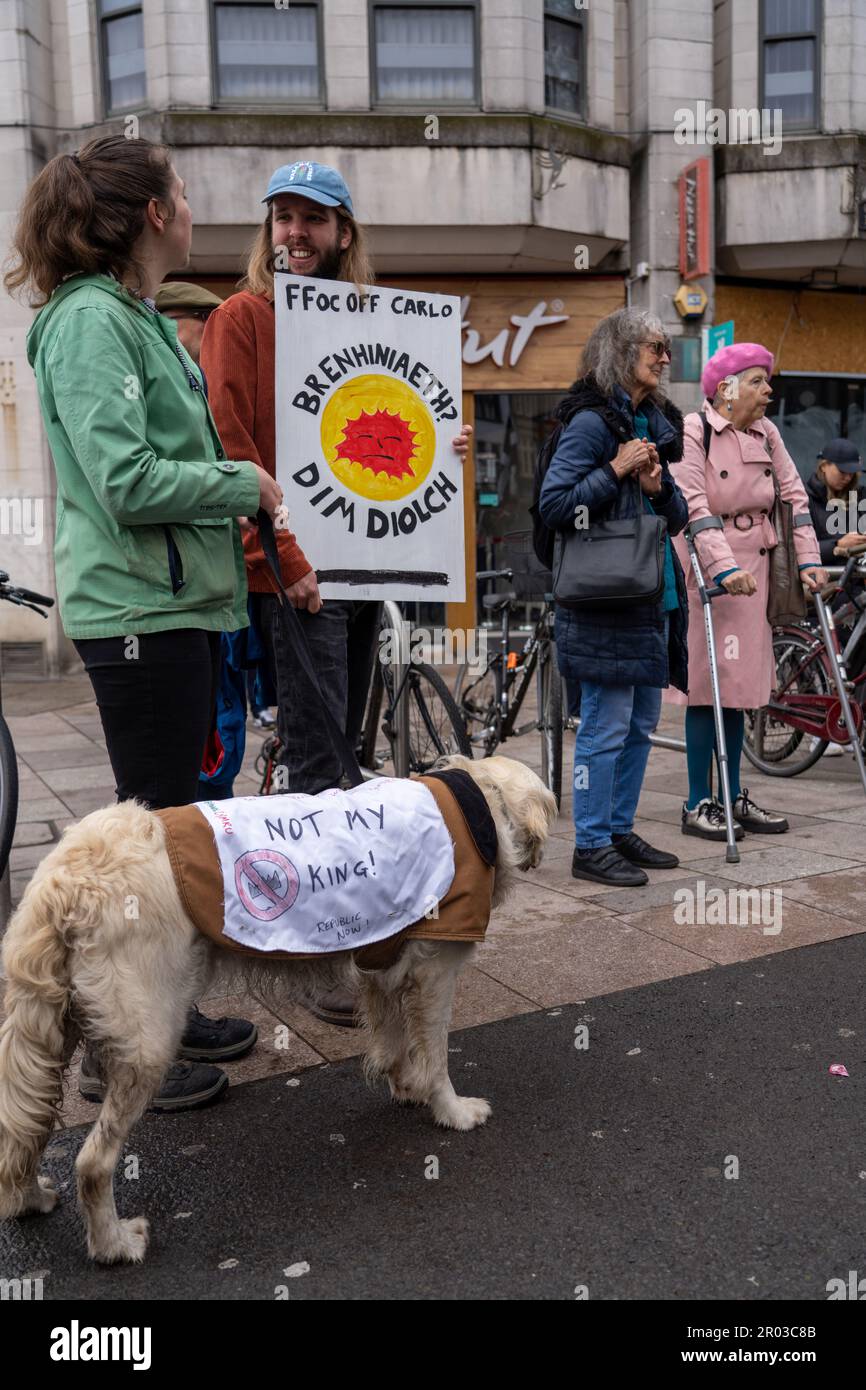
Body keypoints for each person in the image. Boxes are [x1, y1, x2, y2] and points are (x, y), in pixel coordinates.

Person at [5, 134, 283, 1110]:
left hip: (171, 610)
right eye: (184, 192)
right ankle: (116, 1051)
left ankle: (170, 1006)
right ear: (154, 215)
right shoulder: (91, 323)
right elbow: (125, 480)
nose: (197, 208)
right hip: (139, 614)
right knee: (147, 840)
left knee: (174, 831)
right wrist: (237, 482)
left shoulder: (132, 316)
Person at [201, 159, 471, 1023]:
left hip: (358, 571)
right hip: (297, 575)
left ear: (343, 233)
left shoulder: (367, 319)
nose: (294, 235)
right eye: (281, 218)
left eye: (312, 220)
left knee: (344, 758)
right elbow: (230, 443)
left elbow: (390, 432)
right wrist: (279, 553)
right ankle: (324, 962)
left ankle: (344, 934)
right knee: (322, 765)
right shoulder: (243, 317)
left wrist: (446, 447)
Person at [539, 308, 690, 888]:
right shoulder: (592, 425)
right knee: (605, 724)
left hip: (652, 596)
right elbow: (557, 509)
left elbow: (674, 519)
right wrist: (614, 468)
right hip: (605, 598)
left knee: (639, 722)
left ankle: (619, 830)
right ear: (621, 351)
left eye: (665, 347)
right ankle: (591, 843)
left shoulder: (647, 423)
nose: (663, 356)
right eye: (654, 346)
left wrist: (654, 486)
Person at [670, 343, 826, 838]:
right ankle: (698, 802)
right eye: (758, 381)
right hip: (707, 572)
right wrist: (721, 570)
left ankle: (733, 795)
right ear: (726, 388)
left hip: (756, 566)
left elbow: (796, 499)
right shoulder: (693, 431)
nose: (768, 391)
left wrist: (809, 560)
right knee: (705, 687)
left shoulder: (768, 432)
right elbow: (693, 505)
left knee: (738, 692)